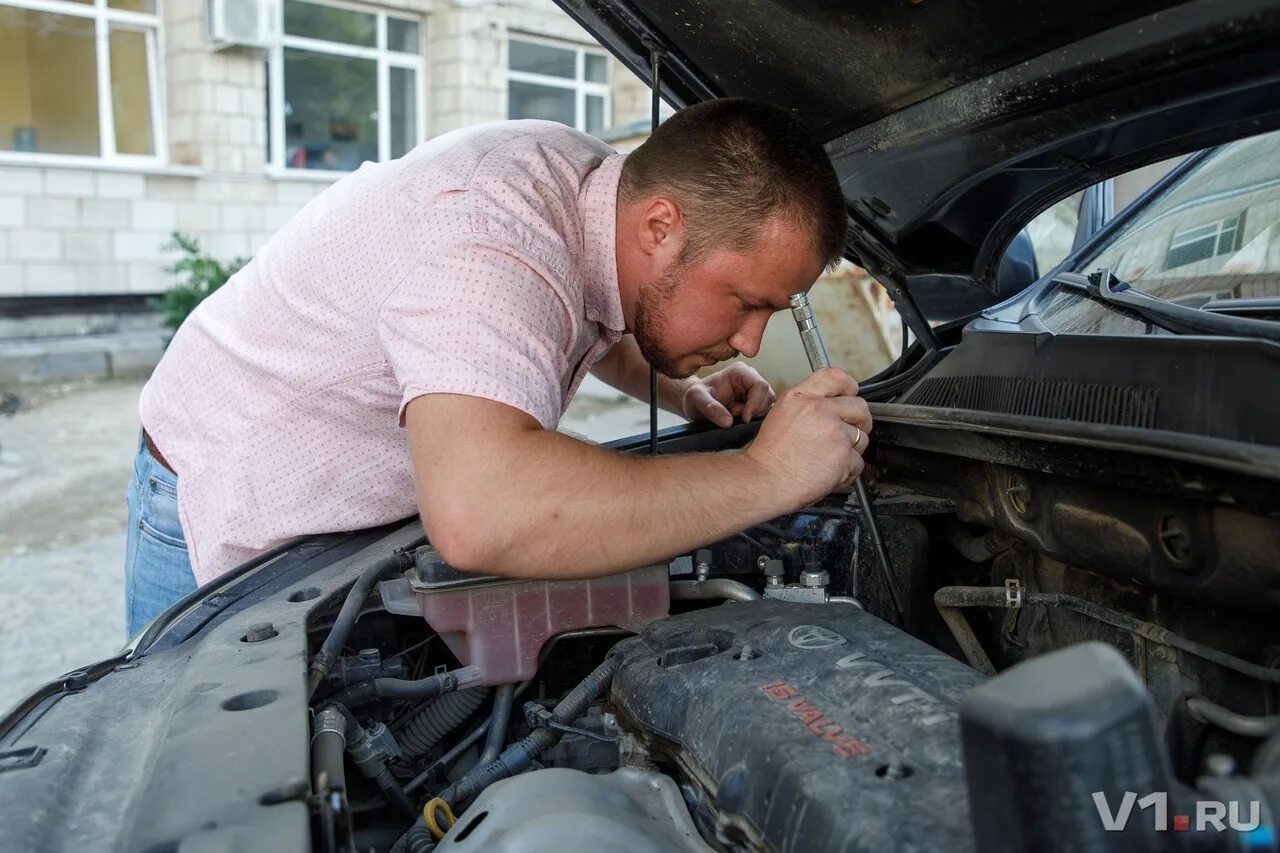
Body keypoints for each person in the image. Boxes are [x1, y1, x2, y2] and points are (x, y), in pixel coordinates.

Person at [124, 98, 872, 636]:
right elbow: (483, 512)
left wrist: (681, 387)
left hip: (355, 507)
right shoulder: (490, 235)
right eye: (743, 302)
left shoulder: (591, 191)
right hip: (229, 493)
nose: (751, 342)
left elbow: (573, 312)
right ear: (660, 227)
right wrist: (767, 475)